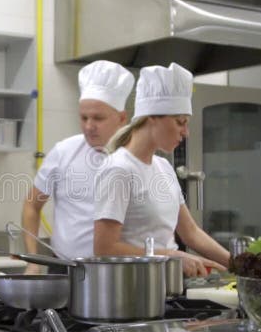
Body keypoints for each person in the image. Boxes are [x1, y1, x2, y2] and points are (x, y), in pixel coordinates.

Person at [94, 63, 230, 277]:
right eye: (180, 122)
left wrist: (237, 264)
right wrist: (170, 257)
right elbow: (104, 249)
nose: (186, 133)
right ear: (152, 117)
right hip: (132, 291)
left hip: (168, 288)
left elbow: (191, 233)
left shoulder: (164, 167)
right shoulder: (119, 169)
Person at [21, 61, 134, 274]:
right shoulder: (63, 152)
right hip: (66, 270)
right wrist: (33, 260)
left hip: (119, 273)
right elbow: (31, 205)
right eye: (84, 117)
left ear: (121, 118)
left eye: (98, 118)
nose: (89, 126)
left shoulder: (135, 158)